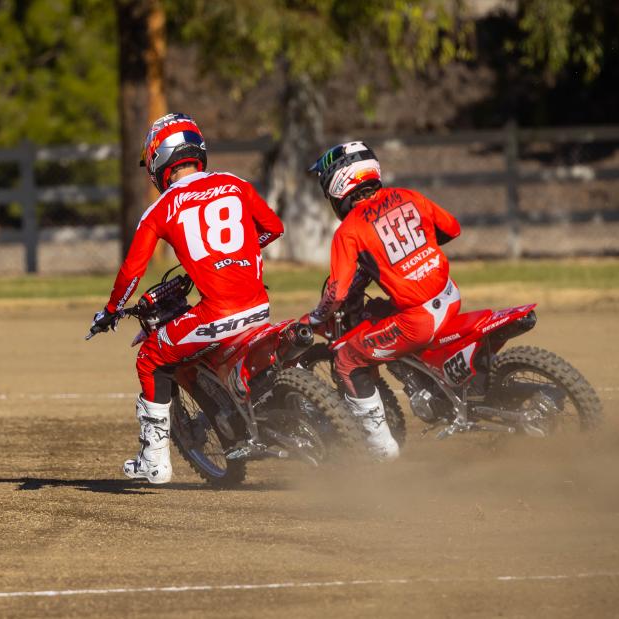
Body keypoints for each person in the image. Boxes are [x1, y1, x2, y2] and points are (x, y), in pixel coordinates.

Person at [88, 113, 284, 484]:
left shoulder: (161, 209)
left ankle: (154, 461)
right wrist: (234, 258)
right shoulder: (234, 183)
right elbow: (273, 228)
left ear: (160, 160)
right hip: (259, 308)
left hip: (217, 315)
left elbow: (131, 273)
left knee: (149, 358)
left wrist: (110, 312)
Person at [302, 141, 461, 461]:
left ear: (338, 183)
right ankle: (422, 379)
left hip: (417, 320)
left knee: (348, 359)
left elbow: (338, 293)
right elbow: (451, 229)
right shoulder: (409, 196)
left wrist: (317, 317)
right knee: (375, 311)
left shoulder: (350, 230)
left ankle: (381, 452)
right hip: (450, 295)